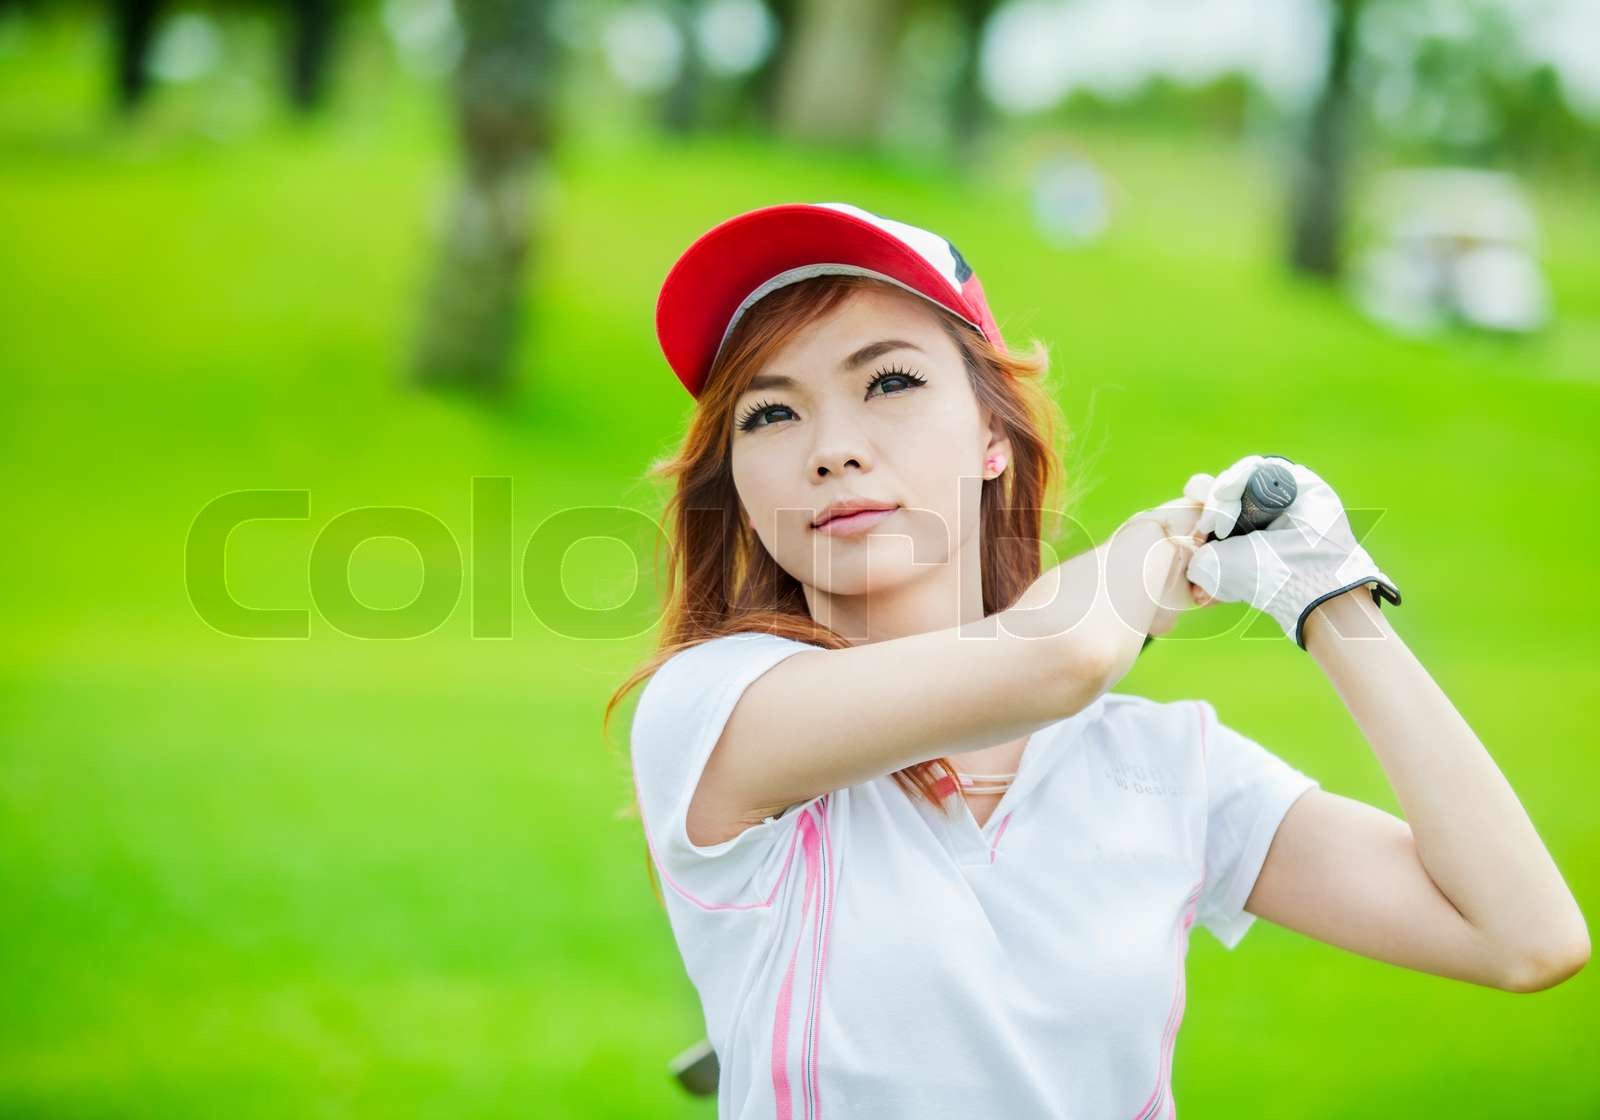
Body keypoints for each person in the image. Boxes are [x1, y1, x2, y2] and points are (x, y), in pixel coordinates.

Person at [603, 202, 1588, 1117]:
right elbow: (1063, 653)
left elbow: (1523, 935)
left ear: (994, 434)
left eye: (889, 381)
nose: (831, 448)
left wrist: (1328, 595)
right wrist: (1156, 549)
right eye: (770, 413)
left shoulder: (1162, 767)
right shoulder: (711, 706)